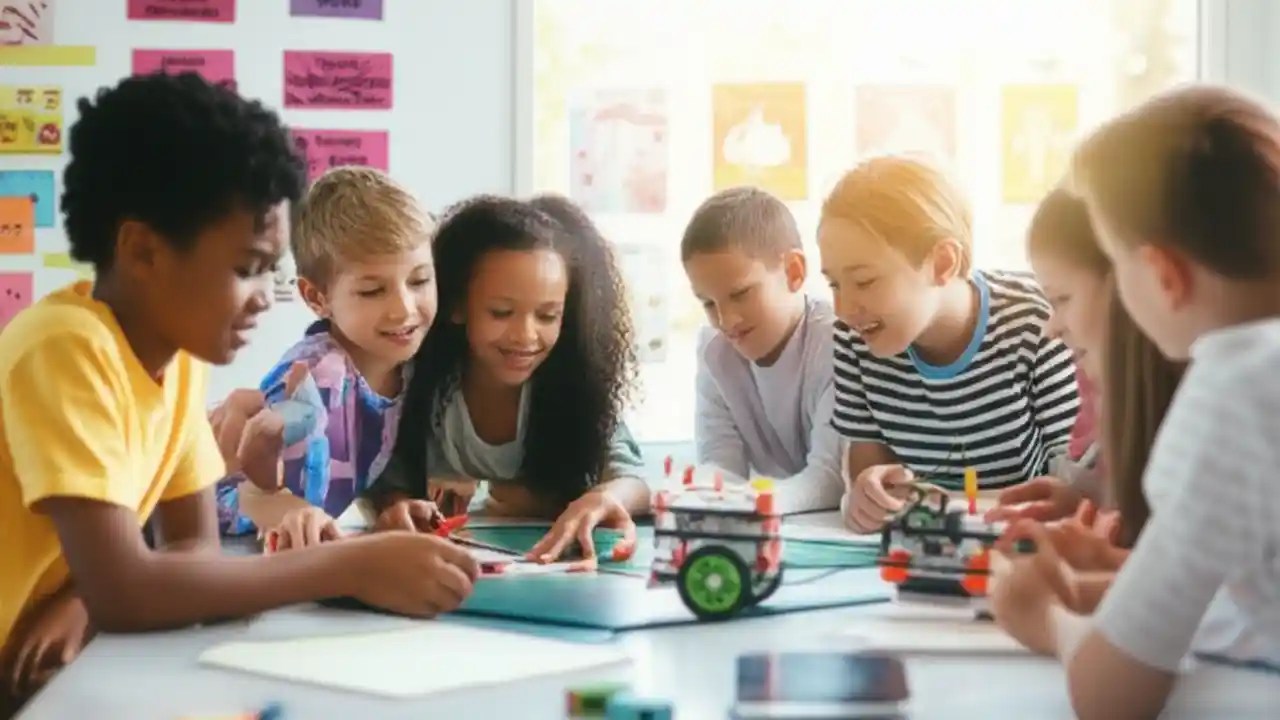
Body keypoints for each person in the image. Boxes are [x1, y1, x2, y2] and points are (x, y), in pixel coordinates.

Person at [0, 74, 476, 714]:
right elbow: (130, 590)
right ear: (143, 250)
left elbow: (190, 551)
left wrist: (83, 593)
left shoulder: (179, 361)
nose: (262, 297)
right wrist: (354, 565)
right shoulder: (65, 347)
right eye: (246, 268)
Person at [990, 84, 1280, 720]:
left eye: (1118, 268)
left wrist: (1045, 619)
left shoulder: (1232, 394)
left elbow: (1111, 697)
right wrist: (1119, 583)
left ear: (1162, 275)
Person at [367, 194, 649, 562]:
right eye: (501, 312)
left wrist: (605, 497)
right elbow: (383, 479)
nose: (525, 335)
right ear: (456, 305)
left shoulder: (575, 388)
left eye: (548, 316)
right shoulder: (416, 384)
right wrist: (395, 505)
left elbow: (635, 481)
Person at [819, 156, 1079, 533]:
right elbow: (869, 468)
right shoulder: (854, 338)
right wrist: (868, 495)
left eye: (864, 281)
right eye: (833, 284)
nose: (843, 309)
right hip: (925, 549)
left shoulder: (1036, 324)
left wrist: (944, 507)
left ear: (942, 262)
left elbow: (1072, 491)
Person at [213, 167, 438, 550]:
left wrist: (392, 503)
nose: (404, 309)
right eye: (372, 291)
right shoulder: (314, 379)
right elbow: (229, 492)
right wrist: (286, 507)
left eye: (419, 281)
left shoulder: (412, 369)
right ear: (317, 298)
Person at [987, 189, 1185, 549]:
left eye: (1062, 299)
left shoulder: (1210, 417)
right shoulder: (1109, 395)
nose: (1050, 329)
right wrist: (1081, 504)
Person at [680, 186, 843, 513]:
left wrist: (749, 501)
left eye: (741, 294)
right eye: (709, 303)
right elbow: (720, 463)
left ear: (793, 272)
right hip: (784, 523)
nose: (726, 320)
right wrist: (695, 492)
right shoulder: (714, 351)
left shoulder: (837, 344)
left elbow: (830, 478)